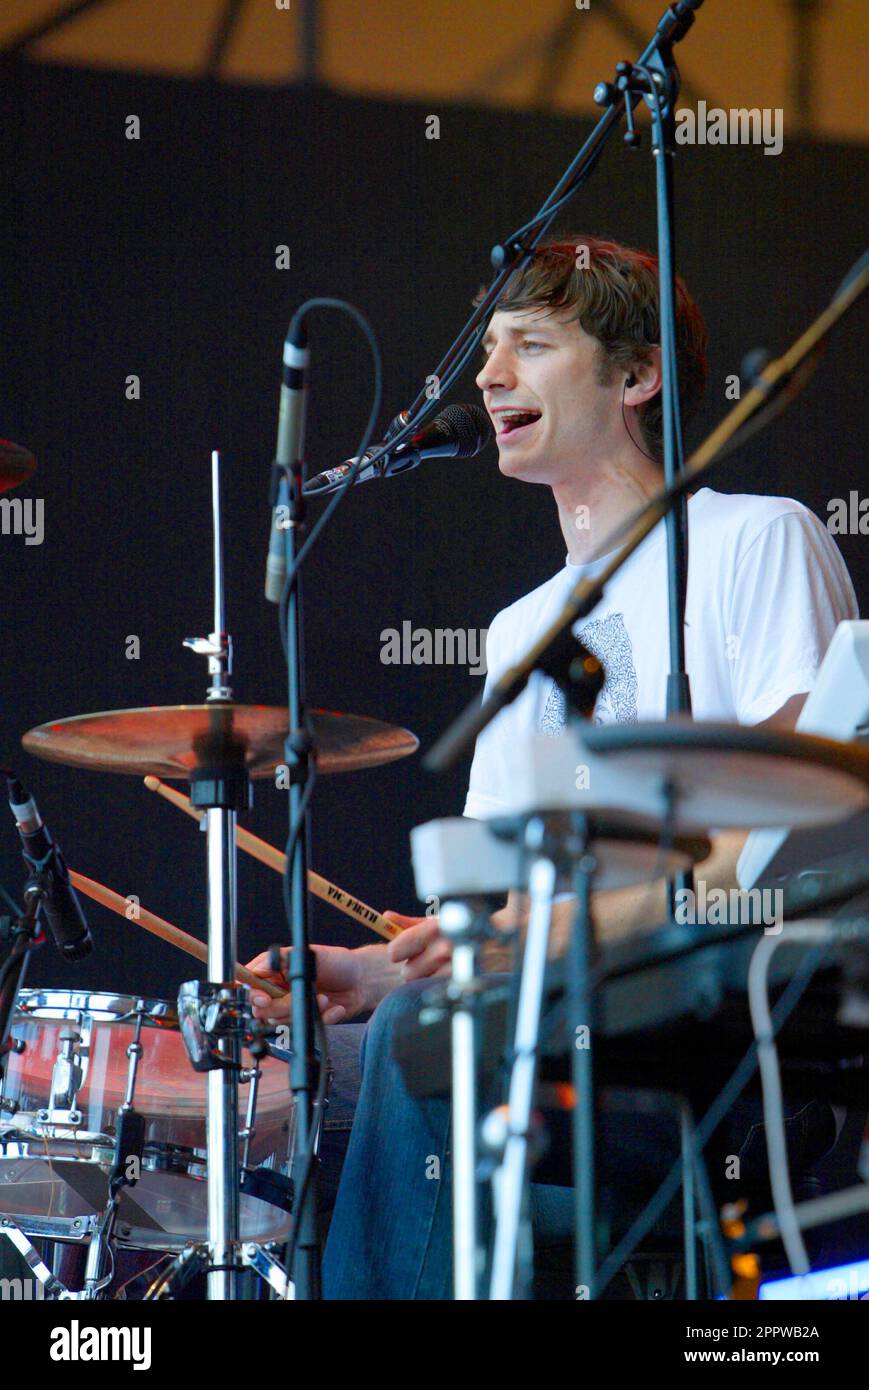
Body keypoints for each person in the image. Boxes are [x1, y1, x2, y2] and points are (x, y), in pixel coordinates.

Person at [247, 236, 859, 1298]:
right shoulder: (520, 627)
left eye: (528, 345)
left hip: (716, 1049)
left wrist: (510, 947)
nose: (486, 377)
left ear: (636, 375)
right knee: (263, 1089)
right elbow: (495, 926)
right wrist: (374, 967)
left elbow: (777, 857)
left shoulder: (756, 541)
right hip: (535, 1030)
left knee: (418, 1037)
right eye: (488, 350)